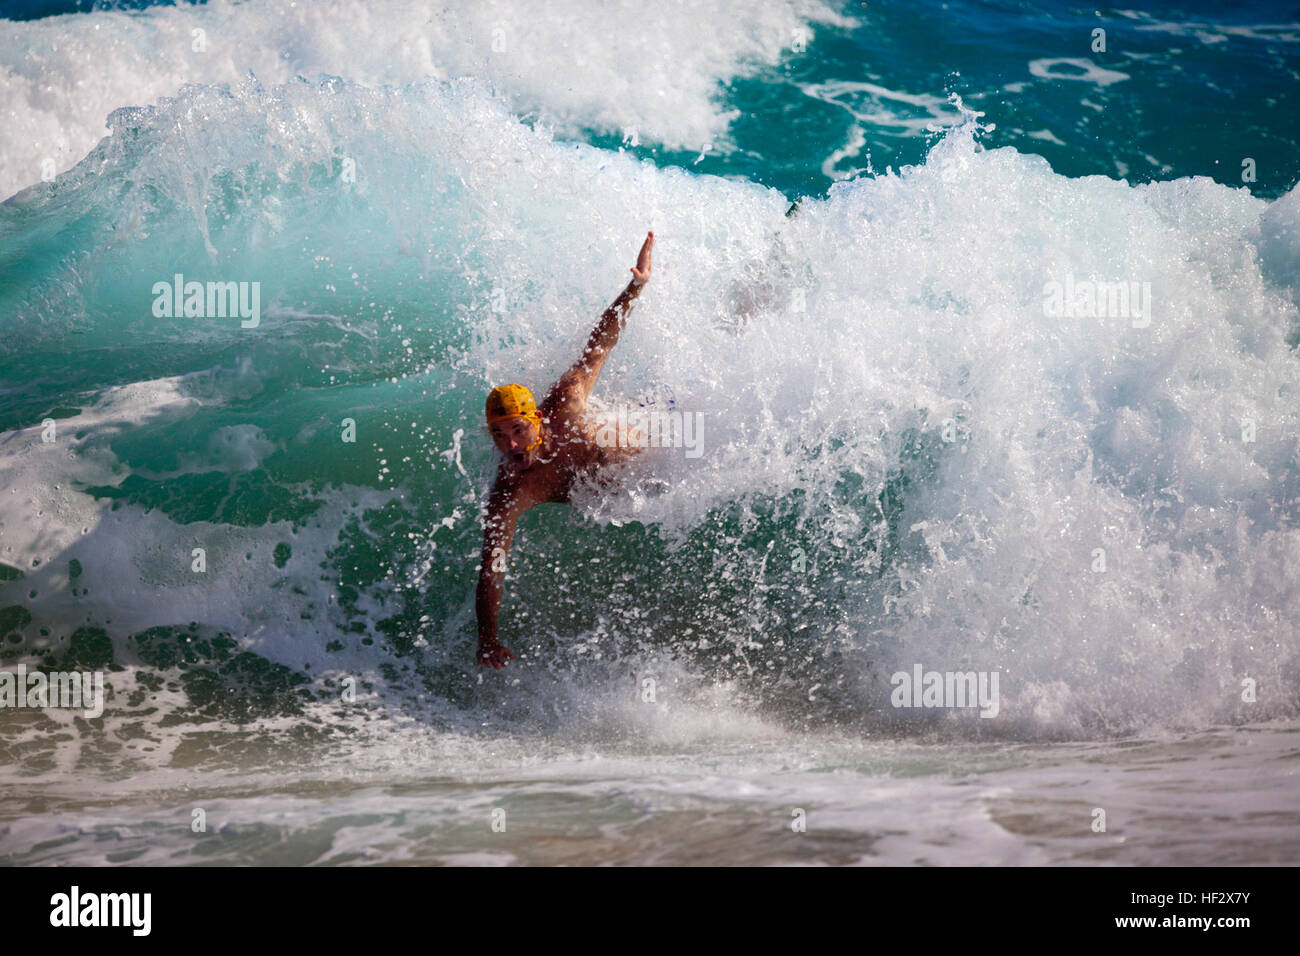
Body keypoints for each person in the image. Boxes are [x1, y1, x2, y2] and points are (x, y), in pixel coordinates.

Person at [475, 232, 654, 668]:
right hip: (603, 499)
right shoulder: (510, 491)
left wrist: (636, 286)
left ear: (536, 419)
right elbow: (492, 567)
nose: (510, 446)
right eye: (499, 436)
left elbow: (602, 342)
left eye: (517, 430)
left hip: (648, 456)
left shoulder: (567, 402)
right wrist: (488, 638)